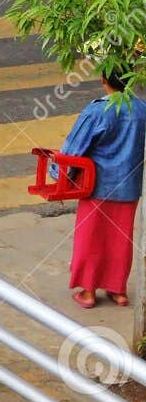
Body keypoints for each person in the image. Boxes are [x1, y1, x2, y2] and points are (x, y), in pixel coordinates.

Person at [58, 74, 146, 309]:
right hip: (129, 185)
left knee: (91, 237)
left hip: (98, 185)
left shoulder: (97, 111)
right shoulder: (141, 109)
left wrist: (60, 177)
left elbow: (73, 149)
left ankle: (88, 293)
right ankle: (118, 291)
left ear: (103, 81)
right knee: (121, 238)